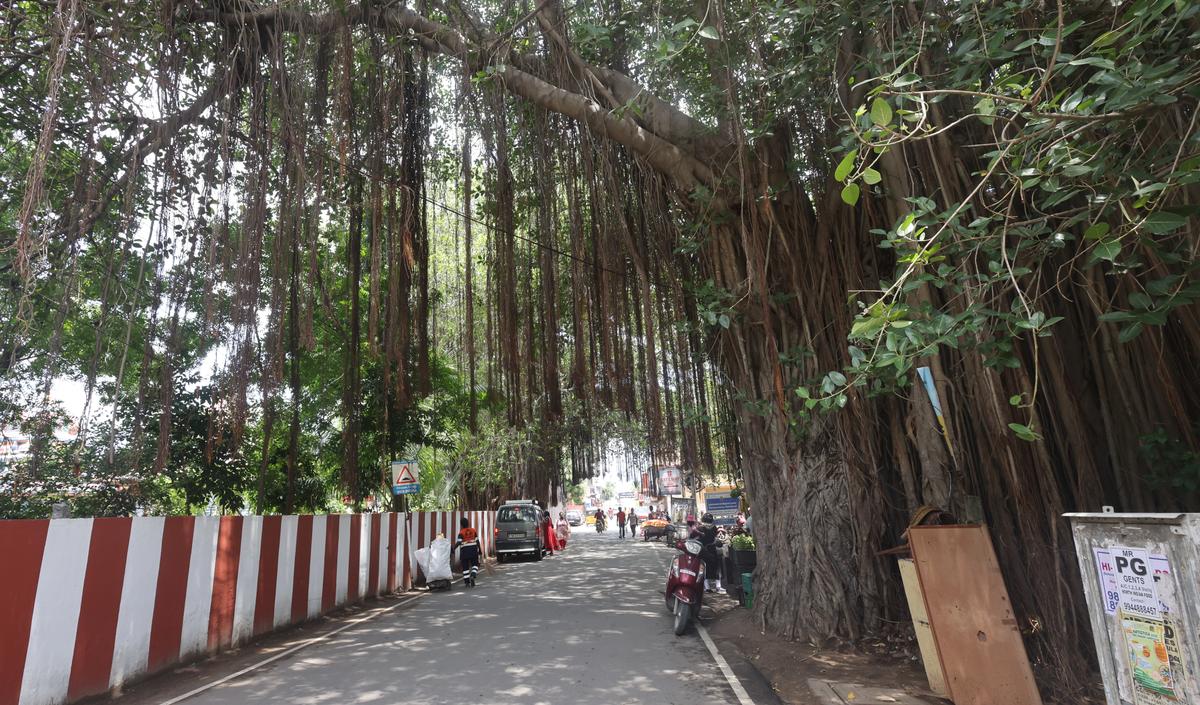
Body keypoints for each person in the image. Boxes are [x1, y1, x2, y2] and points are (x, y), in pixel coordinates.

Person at [690, 512, 725, 594]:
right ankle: (718, 586)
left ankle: (707, 587)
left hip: (702, 550)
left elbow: (691, 536)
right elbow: (716, 538)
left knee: (703, 568)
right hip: (712, 549)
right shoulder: (714, 528)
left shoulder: (700, 528)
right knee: (715, 567)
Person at [455, 516, 480, 587]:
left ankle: (467, 582)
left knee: (465, 567)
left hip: (464, 552)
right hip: (473, 550)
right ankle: (473, 575)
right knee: (475, 564)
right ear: (468, 523)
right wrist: (480, 550)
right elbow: (477, 541)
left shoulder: (461, 532)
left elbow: (459, 542)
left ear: (461, 525)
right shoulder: (473, 530)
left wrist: (453, 549)